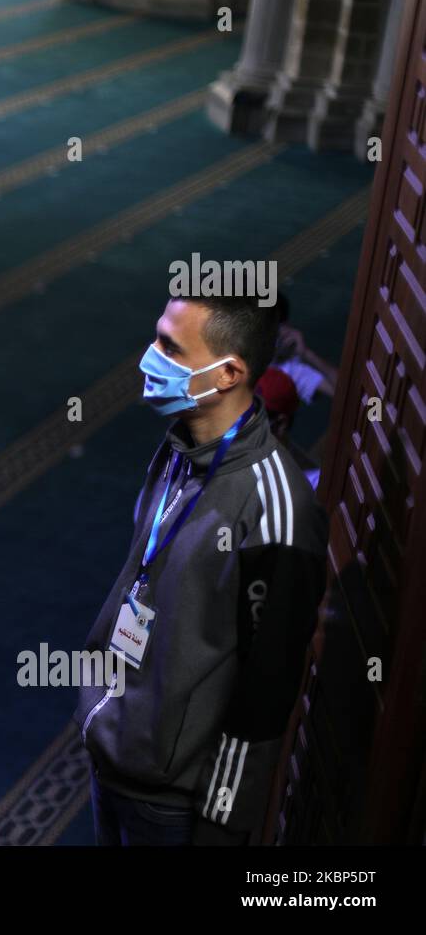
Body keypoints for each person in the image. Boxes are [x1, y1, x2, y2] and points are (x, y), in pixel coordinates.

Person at [75, 294, 327, 845]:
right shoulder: (179, 447)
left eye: (169, 347)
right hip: (112, 753)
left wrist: (220, 826)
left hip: (175, 805)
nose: (148, 358)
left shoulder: (277, 508)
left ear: (230, 372)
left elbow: (266, 695)